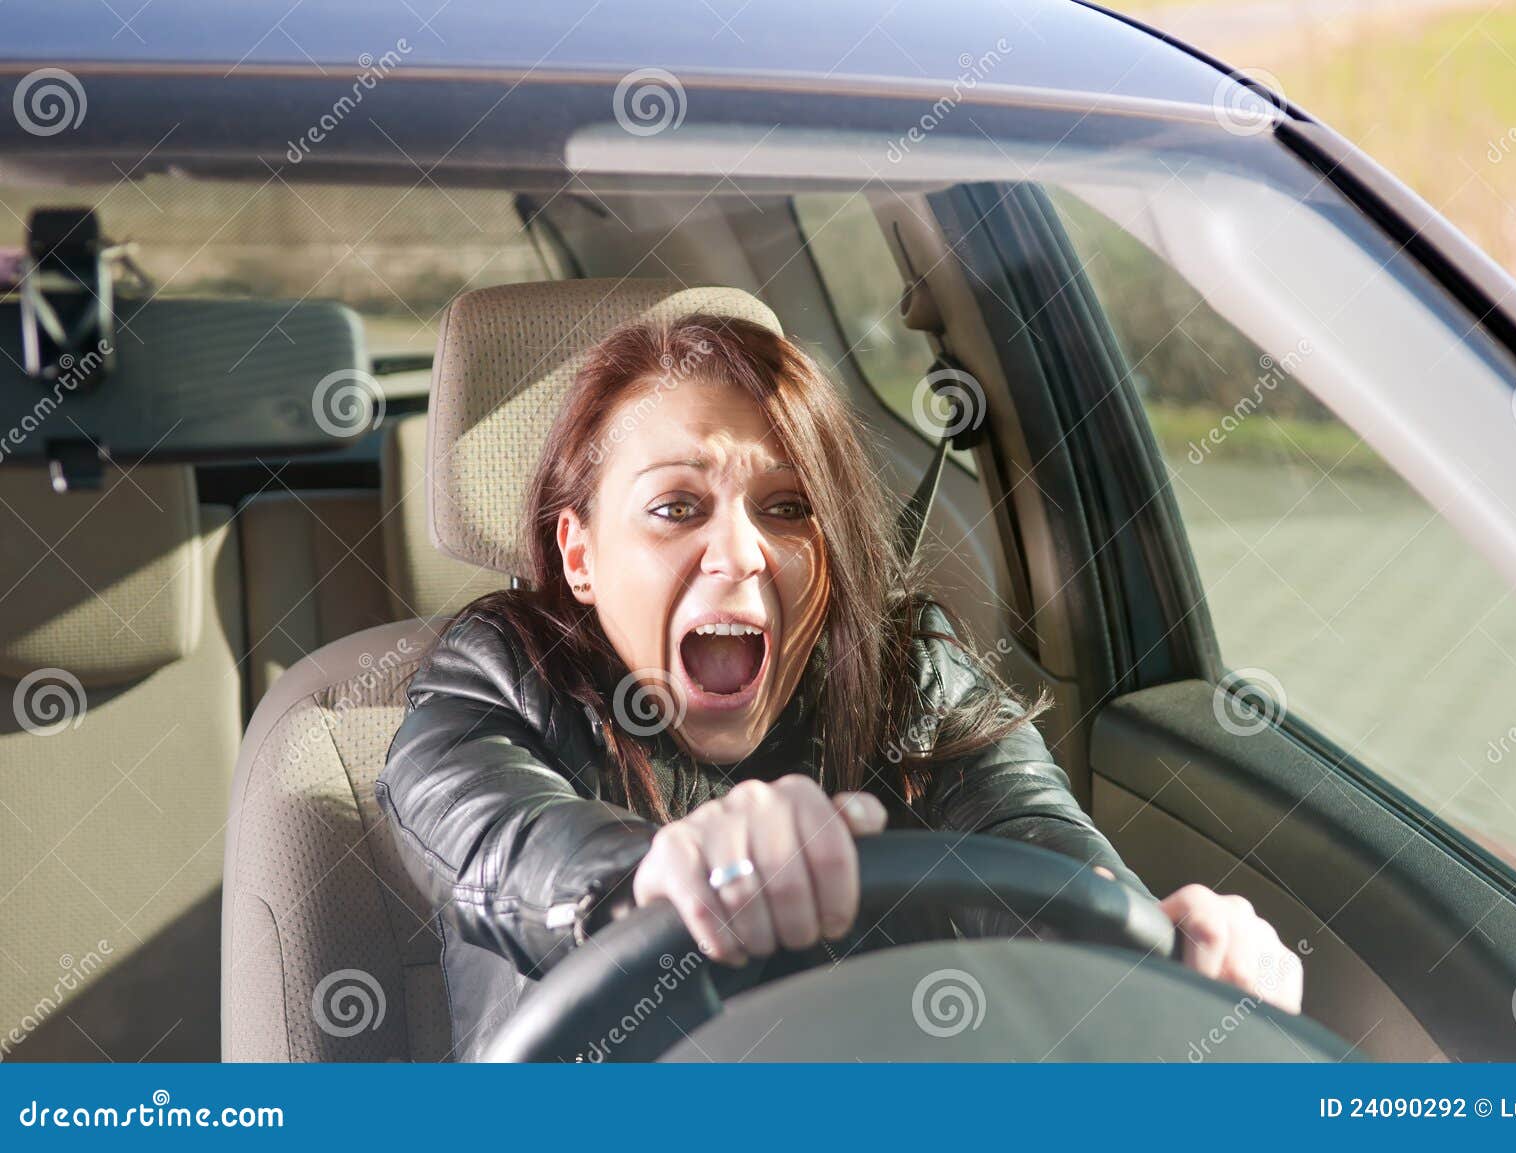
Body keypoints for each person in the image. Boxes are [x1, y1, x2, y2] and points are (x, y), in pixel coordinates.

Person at [377, 311, 1303, 1059]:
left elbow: (1039, 844)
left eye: (788, 507)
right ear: (579, 555)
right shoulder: (493, 676)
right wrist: (655, 873)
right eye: (676, 507)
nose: (742, 552)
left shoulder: (910, 675)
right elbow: (504, 842)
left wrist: (1173, 949)